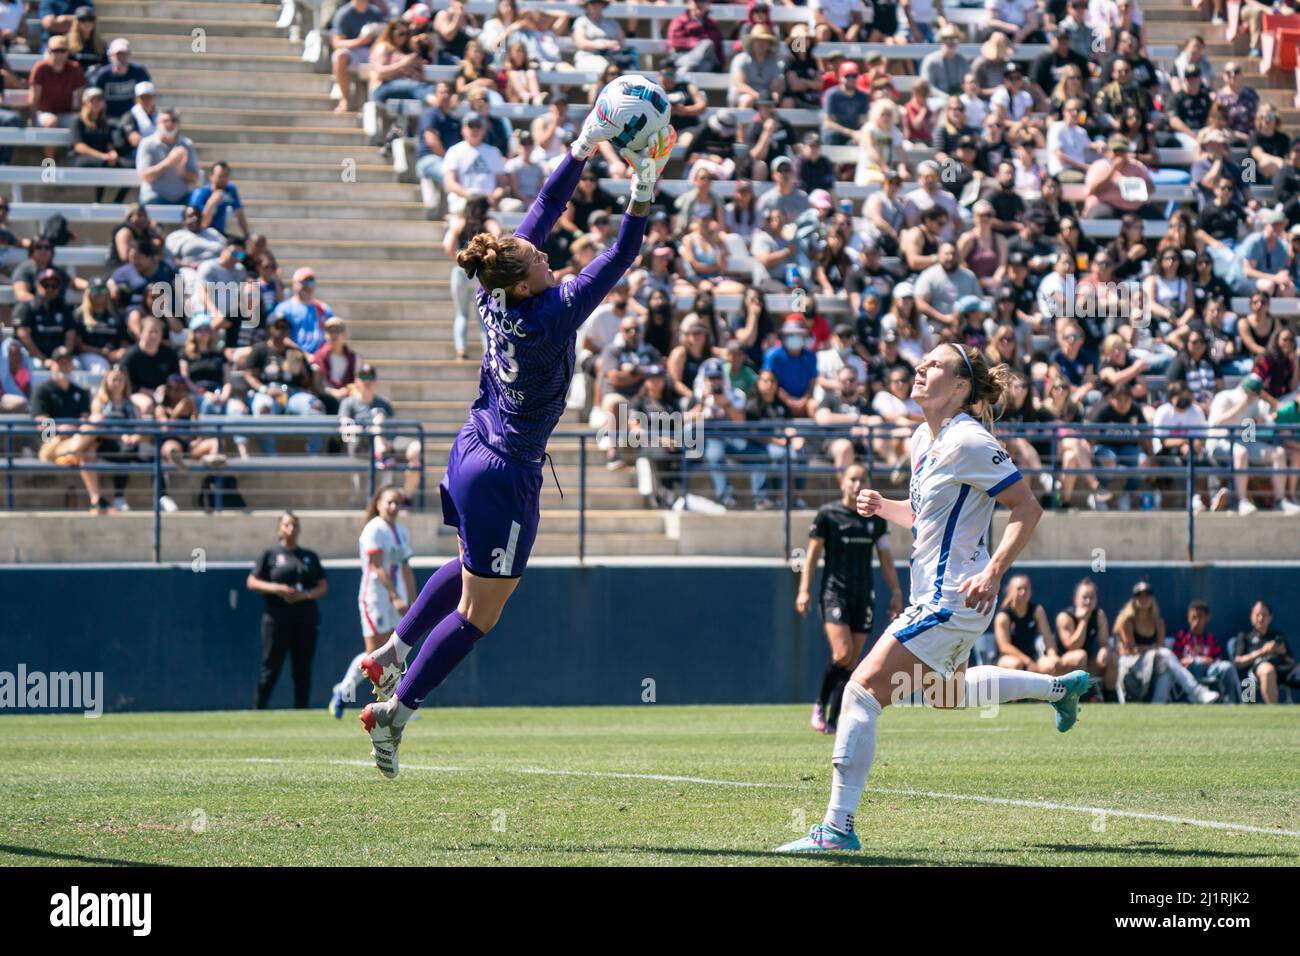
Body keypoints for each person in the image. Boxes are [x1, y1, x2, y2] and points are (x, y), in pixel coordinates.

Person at [351, 105, 667, 778]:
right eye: (538, 254)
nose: (545, 248)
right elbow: (621, 254)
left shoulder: (498, 286)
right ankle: (395, 711)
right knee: (478, 615)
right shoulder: (551, 312)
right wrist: (646, 182)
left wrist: (583, 145)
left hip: (470, 448)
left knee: (467, 568)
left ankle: (391, 652)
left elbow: (548, 204)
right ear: (526, 277)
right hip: (506, 472)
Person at [776, 344, 1093, 854]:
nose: (919, 368)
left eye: (935, 366)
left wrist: (994, 571)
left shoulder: (969, 438)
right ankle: (1059, 689)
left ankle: (835, 830)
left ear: (961, 386)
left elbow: (1027, 507)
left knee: (860, 692)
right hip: (941, 596)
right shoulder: (925, 436)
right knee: (948, 693)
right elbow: (927, 518)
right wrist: (885, 507)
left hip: (954, 597)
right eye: (919, 362)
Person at [796, 463, 902, 734]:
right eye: (852, 479)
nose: (857, 484)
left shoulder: (876, 519)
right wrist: (804, 589)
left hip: (863, 595)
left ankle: (833, 719)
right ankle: (819, 703)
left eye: (862, 479)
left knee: (852, 663)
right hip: (835, 593)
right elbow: (812, 555)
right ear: (842, 482)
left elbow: (886, 557)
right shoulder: (828, 515)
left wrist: (897, 591)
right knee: (842, 654)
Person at [329, 486, 416, 719]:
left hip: (396, 600)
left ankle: (397, 704)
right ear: (378, 503)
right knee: (373, 653)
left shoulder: (401, 531)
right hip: (375, 598)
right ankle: (344, 690)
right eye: (389, 502)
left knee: (393, 653)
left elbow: (406, 568)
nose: (393, 507)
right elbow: (377, 567)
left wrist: (415, 601)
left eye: (397, 502)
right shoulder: (374, 529)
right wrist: (395, 597)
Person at [248, 511, 328, 709]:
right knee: (270, 667)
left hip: (305, 619)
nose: (291, 528)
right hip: (277, 619)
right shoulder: (270, 555)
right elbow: (252, 581)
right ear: (280, 529)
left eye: (295, 524)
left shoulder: (309, 556)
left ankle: (301, 710)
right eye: (287, 524)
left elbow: (322, 585)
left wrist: (306, 595)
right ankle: (259, 709)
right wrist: (278, 589)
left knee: (302, 669)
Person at [1114, 581, 1219, 704]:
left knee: (1167, 665)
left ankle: (1158, 704)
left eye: (1147, 594)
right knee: (1165, 654)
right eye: (1139, 595)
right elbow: (1131, 649)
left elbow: (1160, 646)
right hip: (1131, 663)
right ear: (1134, 599)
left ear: (1152, 598)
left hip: (1152, 662)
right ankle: (1198, 692)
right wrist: (1153, 649)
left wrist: (1153, 649)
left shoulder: (1158, 622)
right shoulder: (1126, 621)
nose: (1144, 598)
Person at [994, 574, 1078, 675]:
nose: (1023, 592)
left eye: (1026, 588)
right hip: (1007, 659)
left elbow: (1047, 638)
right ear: (1011, 591)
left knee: (1051, 665)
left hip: (1033, 658)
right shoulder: (1003, 616)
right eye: (1019, 589)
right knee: (1016, 665)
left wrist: (1053, 655)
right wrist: (1027, 661)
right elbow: (1004, 647)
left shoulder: (1037, 611)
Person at [1055, 577, 1114, 701]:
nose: (1088, 601)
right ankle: (1079, 697)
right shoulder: (1065, 617)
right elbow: (1072, 646)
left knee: (1112, 658)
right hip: (1064, 664)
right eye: (1084, 597)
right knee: (1080, 655)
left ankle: (1110, 698)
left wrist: (1104, 649)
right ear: (1076, 599)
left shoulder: (1099, 615)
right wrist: (1083, 621)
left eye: (1092, 597)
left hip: (1086, 664)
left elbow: (1104, 642)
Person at [1234, 600, 1300, 704]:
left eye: (1264, 615)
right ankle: (1272, 713)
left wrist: (1282, 652)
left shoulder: (1277, 636)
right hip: (1258, 670)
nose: (1260, 619)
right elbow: (1238, 662)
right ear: (1251, 616)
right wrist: (1263, 651)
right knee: (1268, 669)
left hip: (1282, 669)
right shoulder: (1244, 637)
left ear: (1270, 617)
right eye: (1257, 615)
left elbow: (1291, 662)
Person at [1173, 600, 1239, 703]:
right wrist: (1192, 660)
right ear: (1188, 618)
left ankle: (1230, 703)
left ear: (1207, 618)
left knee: (1227, 666)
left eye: (1199, 617)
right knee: (1197, 663)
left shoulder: (1211, 639)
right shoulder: (1182, 637)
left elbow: (1218, 660)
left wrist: (1210, 661)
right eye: (1193, 617)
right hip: (1188, 672)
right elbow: (1174, 661)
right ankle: (1198, 696)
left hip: (1208, 670)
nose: (1196, 621)